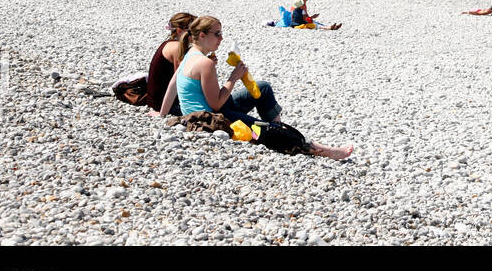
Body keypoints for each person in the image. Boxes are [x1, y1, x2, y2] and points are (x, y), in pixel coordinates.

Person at [152, 15, 354, 160]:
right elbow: (215, 104)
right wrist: (233, 77)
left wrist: (162, 114)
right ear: (202, 36)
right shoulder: (204, 63)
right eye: (217, 34)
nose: (221, 38)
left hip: (210, 108)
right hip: (213, 116)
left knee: (262, 87)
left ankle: (274, 127)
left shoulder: (191, 54)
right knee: (273, 130)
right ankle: (321, 149)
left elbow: (172, 85)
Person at [145, 12, 195, 116]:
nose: (197, 34)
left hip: (158, 100)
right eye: (193, 31)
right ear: (179, 31)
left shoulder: (169, 43)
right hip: (166, 104)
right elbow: (183, 78)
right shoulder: (176, 48)